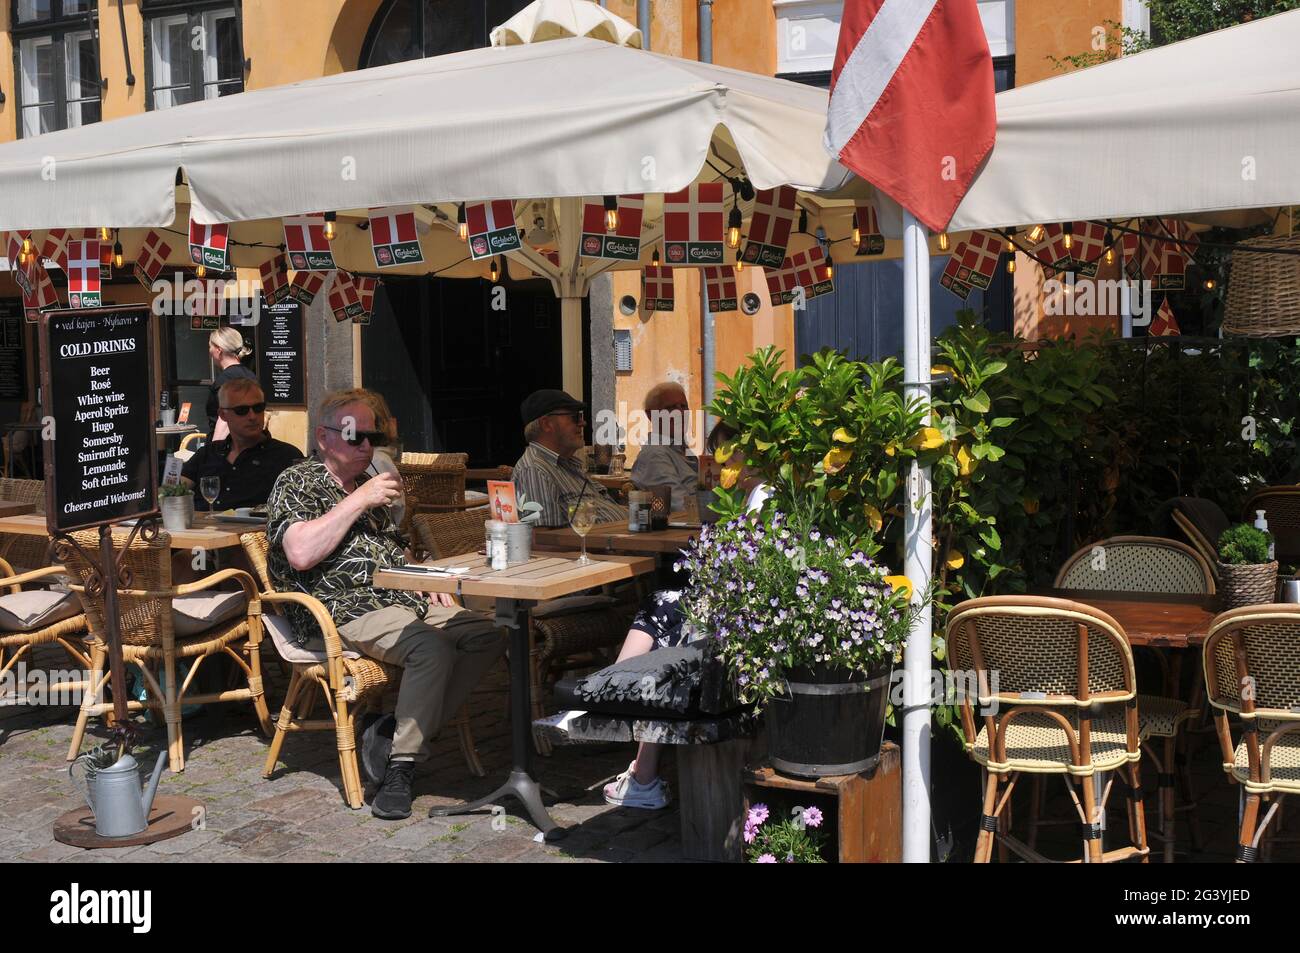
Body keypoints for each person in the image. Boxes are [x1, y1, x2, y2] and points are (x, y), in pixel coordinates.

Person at [266, 388, 506, 820]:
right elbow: (300, 553)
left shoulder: (369, 485)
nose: (366, 447)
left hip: (399, 596)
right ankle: (402, 768)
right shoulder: (298, 480)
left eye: (372, 438)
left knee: (490, 632)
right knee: (430, 648)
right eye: (355, 436)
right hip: (341, 606)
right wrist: (358, 500)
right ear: (324, 438)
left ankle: (394, 731)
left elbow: (395, 551)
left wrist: (423, 577)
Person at [512, 389, 626, 528]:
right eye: (575, 417)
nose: (582, 423)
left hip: (629, 543)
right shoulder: (534, 470)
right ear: (546, 424)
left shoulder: (568, 465)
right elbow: (543, 541)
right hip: (610, 548)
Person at [181, 379, 302, 510]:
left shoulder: (286, 456)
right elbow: (173, 493)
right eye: (242, 410)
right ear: (223, 414)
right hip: (200, 528)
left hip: (257, 529)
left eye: (258, 408)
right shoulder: (207, 453)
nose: (252, 416)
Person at [630, 381, 698, 511]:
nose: (679, 413)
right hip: (684, 528)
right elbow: (680, 507)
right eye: (670, 408)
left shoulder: (680, 448)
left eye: (683, 406)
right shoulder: (655, 454)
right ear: (651, 415)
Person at [206, 327, 257, 442]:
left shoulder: (226, 380)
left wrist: (215, 450)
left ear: (219, 350)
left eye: (210, 346)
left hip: (230, 447)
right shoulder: (249, 374)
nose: (209, 351)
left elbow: (225, 420)